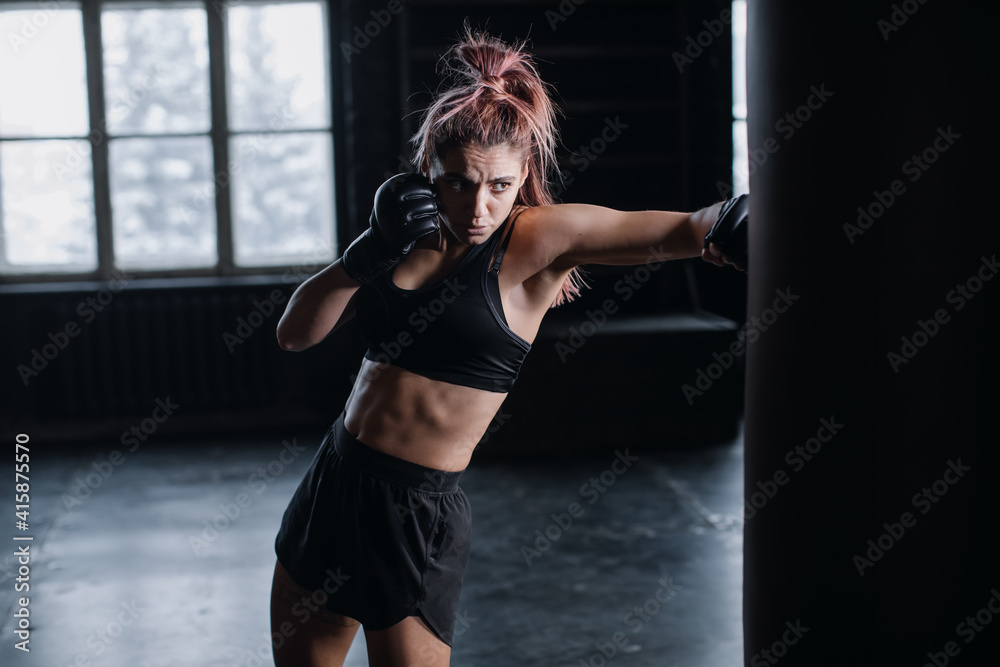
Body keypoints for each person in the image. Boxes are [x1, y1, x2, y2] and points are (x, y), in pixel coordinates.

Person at [269, 25, 746, 667]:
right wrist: (365, 254)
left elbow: (683, 228)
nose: (477, 205)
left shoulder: (536, 240)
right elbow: (295, 335)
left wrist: (733, 223)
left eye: (498, 185)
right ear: (428, 171)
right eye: (458, 182)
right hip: (336, 475)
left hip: (415, 506)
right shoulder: (402, 231)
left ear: (523, 177)